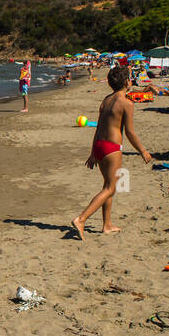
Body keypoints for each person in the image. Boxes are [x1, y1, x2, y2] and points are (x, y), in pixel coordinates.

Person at [71, 66, 152, 239]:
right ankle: (81, 219)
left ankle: (107, 225)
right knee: (110, 187)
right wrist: (143, 150)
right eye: (130, 78)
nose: (131, 80)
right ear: (126, 82)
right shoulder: (126, 103)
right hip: (112, 147)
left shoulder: (106, 100)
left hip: (100, 145)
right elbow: (129, 132)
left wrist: (93, 152)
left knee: (108, 186)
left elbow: (99, 127)